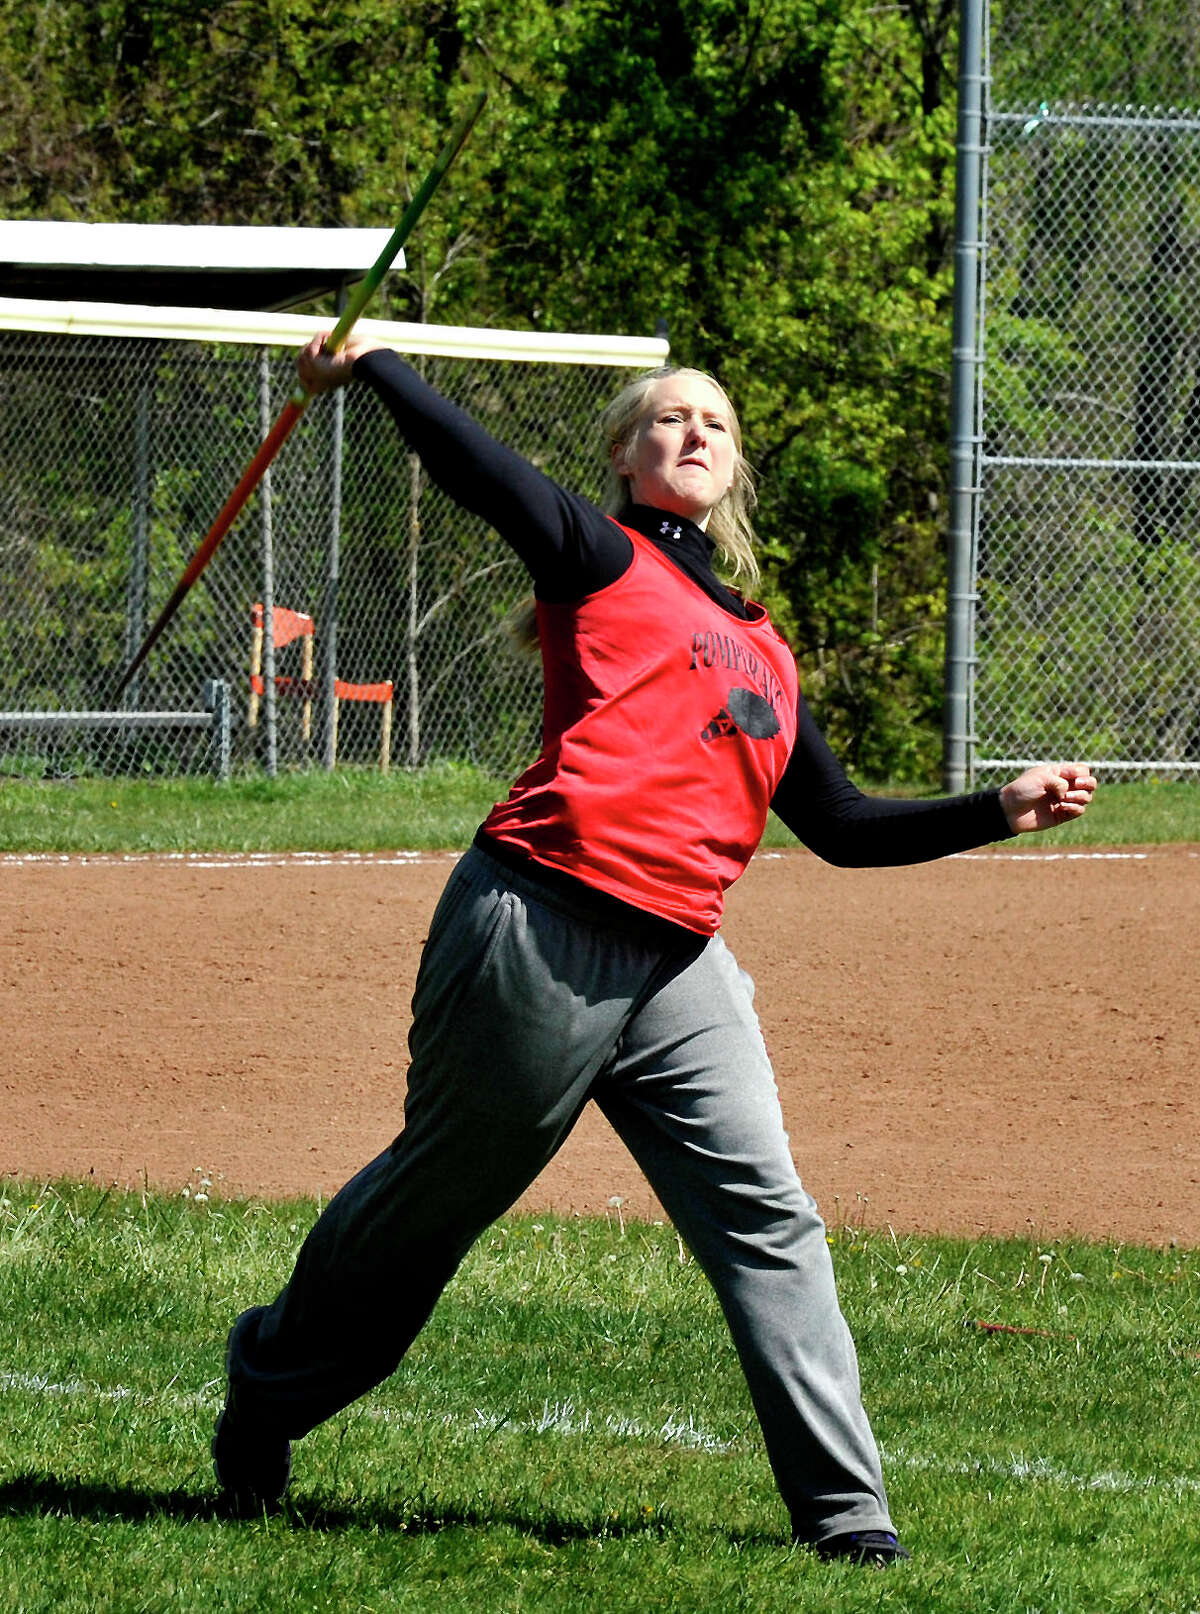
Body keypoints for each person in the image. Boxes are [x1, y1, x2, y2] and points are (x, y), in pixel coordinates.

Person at [213, 333, 1097, 1566]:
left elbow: (839, 827)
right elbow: (479, 469)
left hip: (683, 964)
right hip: (543, 922)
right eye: (669, 419)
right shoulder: (597, 555)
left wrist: (994, 810)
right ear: (627, 456)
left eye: (714, 423)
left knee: (768, 1218)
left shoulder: (766, 648)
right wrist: (377, 365)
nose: (694, 433)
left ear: (732, 470)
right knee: (438, 1201)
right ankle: (267, 1390)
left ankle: (850, 1521)